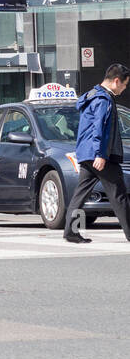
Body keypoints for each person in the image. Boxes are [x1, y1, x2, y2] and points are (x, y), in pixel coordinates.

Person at [66, 63, 130, 244]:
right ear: (116, 81)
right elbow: (99, 128)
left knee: (80, 193)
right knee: (119, 194)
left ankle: (70, 232)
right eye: (125, 84)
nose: (125, 89)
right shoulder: (104, 99)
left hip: (86, 153)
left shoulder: (92, 95)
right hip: (99, 155)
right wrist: (100, 154)